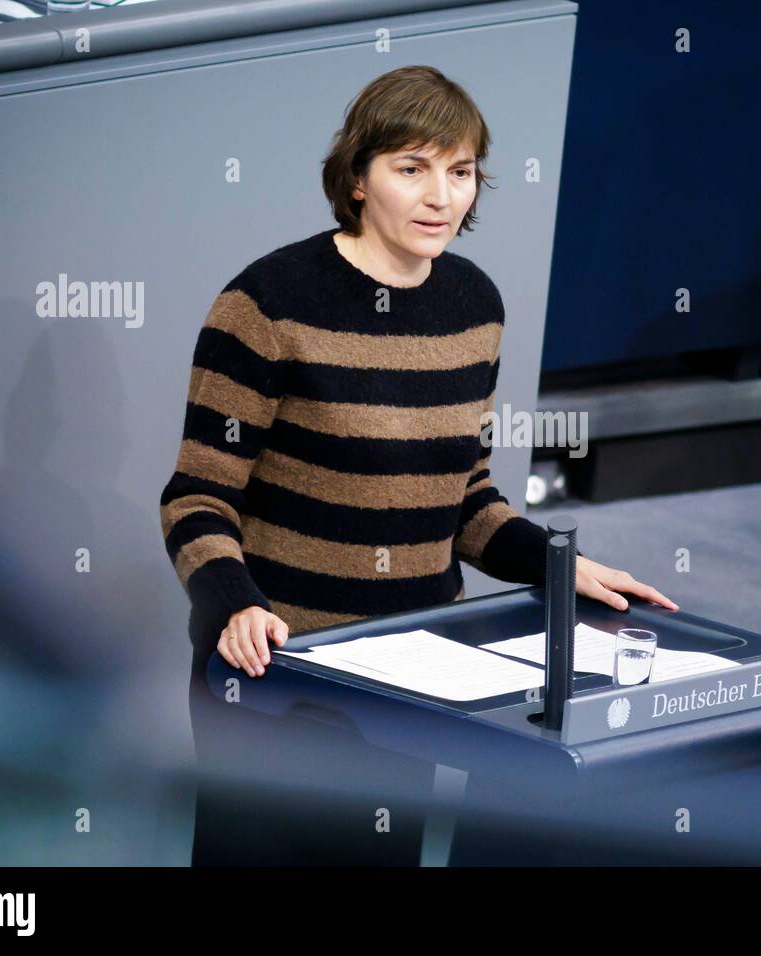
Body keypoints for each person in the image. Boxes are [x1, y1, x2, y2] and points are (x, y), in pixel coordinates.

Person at [159, 64, 677, 864]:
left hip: (412, 672)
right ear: (357, 179)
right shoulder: (266, 305)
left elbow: (465, 499)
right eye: (412, 168)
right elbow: (197, 496)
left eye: (461, 171)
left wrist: (554, 564)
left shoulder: (475, 308)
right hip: (280, 670)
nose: (442, 196)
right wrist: (235, 605)